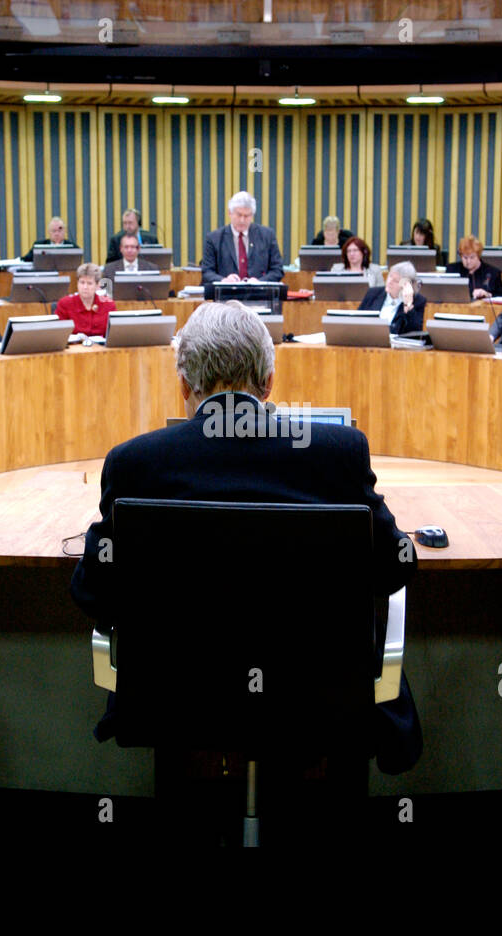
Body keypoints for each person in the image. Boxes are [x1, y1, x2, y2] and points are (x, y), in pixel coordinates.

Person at [69, 300, 420, 775]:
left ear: (183, 386)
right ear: (269, 381)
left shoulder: (135, 463)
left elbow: (92, 590)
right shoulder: (338, 454)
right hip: (316, 696)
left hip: (178, 698)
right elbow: (396, 568)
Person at [201, 191, 284, 285]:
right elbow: (207, 272)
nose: (242, 220)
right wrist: (223, 280)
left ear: (252, 215)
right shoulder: (214, 238)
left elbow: (277, 270)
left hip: (259, 294)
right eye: (239, 215)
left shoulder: (267, 236)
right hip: (226, 295)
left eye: (247, 216)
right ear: (230, 213)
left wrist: (259, 282)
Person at [358, 262, 426, 334]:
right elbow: (357, 319)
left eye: (396, 281)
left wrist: (408, 305)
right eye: (390, 276)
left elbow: (414, 333)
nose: (390, 282)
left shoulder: (418, 301)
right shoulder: (373, 293)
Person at [55, 263, 117, 338]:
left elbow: (114, 334)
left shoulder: (108, 305)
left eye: (89, 283)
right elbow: (59, 334)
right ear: (77, 283)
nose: (85, 287)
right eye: (82, 282)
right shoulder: (65, 304)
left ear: (97, 285)